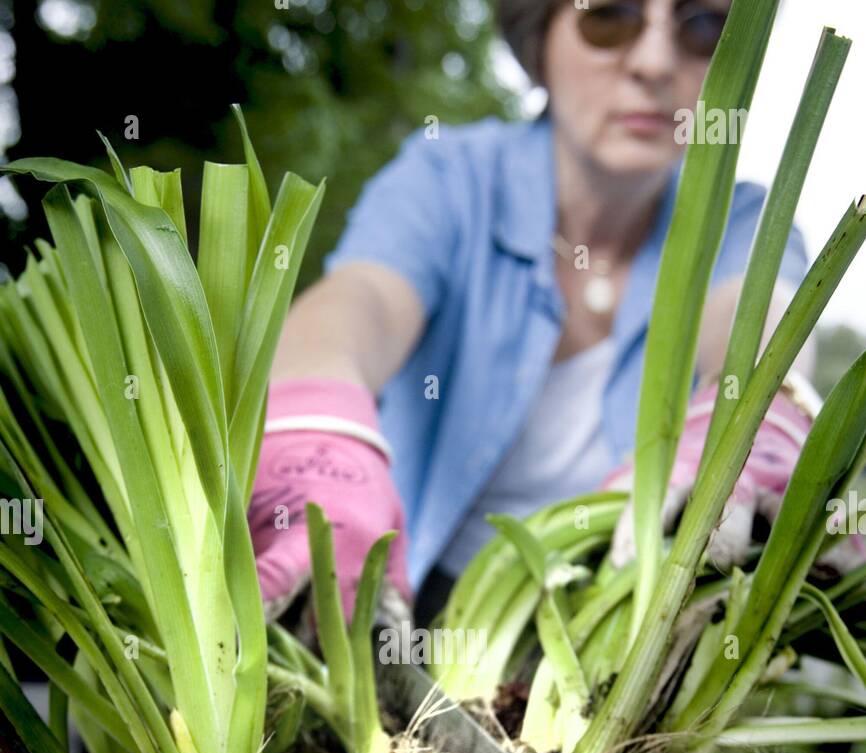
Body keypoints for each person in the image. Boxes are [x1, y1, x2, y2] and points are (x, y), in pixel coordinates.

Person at [248, 0, 818, 630]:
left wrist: (761, 412)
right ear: (537, 37)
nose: (655, 64)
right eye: (609, 17)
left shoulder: (743, 224)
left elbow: (761, 320)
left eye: (704, 26)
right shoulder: (450, 178)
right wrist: (315, 424)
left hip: (614, 631)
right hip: (403, 610)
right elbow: (360, 303)